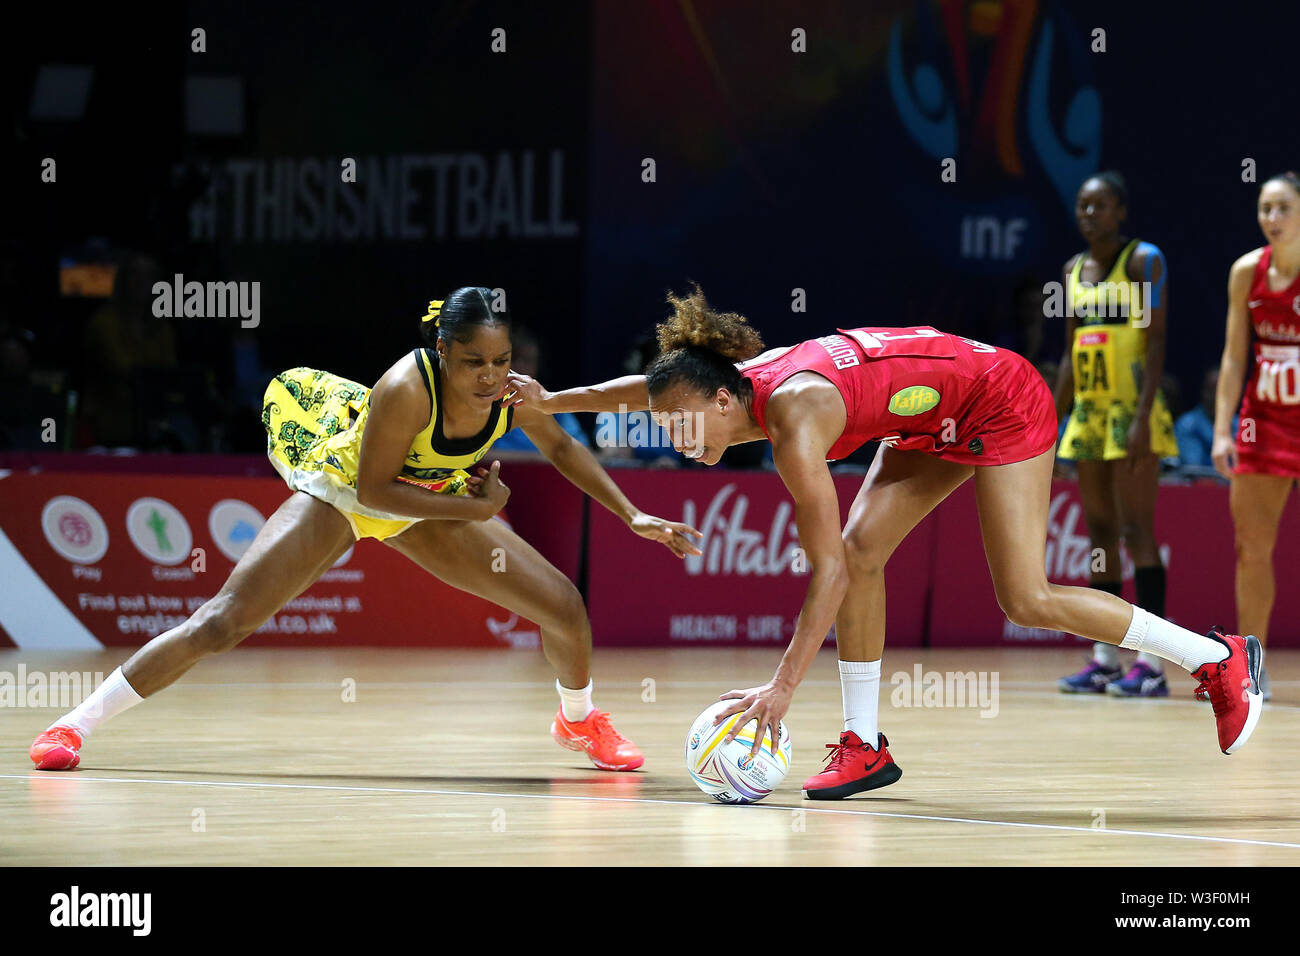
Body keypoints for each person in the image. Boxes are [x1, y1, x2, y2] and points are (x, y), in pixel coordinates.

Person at [508, 285, 1263, 799]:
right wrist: (552, 399)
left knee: (1024, 596)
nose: (673, 439)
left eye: (682, 425)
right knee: (867, 553)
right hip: (927, 416)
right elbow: (634, 392)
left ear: (722, 399)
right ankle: (864, 746)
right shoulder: (717, 385)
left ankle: (1217, 659)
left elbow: (825, 574)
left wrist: (781, 688)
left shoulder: (796, 426)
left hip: (999, 398)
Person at [30, 287, 702, 773]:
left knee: (564, 607)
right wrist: (473, 510)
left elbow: (561, 449)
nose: (491, 377)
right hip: (346, 494)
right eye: (475, 364)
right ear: (442, 352)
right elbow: (376, 491)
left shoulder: (513, 393)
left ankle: (577, 721)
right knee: (223, 622)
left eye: (500, 362)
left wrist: (631, 513)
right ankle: (72, 726)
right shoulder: (405, 388)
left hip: (422, 501)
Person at [1052, 173, 1180, 698]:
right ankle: (1105, 656)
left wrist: (1143, 417)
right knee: (1100, 535)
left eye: (1100, 206)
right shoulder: (1071, 271)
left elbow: (1155, 345)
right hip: (1089, 416)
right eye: (1083, 205)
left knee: (1136, 531)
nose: (1089, 214)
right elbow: (1070, 354)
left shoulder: (1143, 260)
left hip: (1132, 413)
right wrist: (1050, 421)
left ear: (1120, 212)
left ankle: (1150, 664)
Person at [1211, 171, 1300, 701]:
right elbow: (1233, 356)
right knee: (1251, 547)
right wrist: (1222, 431)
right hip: (1262, 423)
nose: (1272, 219)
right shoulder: (1247, 271)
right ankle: (1253, 666)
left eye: (1284, 208)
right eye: (1265, 208)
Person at [1175, 369, 1224, 470]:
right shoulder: (1187, 424)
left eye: (1222, 390)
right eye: (1212, 390)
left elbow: (1247, 465)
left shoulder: (1245, 424)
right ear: (1203, 392)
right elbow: (1195, 467)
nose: (1215, 396)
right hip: (1200, 484)